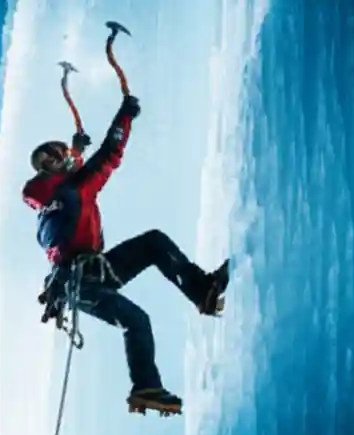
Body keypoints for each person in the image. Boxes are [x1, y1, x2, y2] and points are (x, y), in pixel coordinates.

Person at [21, 93, 228, 414]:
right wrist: (125, 115)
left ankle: (201, 294)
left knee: (151, 252)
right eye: (57, 155)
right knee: (137, 314)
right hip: (82, 278)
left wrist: (75, 149)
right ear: (51, 167)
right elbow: (109, 155)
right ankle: (147, 384)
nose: (63, 156)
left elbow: (70, 169)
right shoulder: (74, 189)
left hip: (82, 276)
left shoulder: (47, 200)